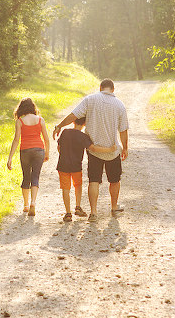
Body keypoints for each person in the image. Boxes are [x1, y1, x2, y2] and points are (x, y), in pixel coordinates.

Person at [53, 79, 128, 221]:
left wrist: (59, 125)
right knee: (114, 180)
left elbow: (73, 115)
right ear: (113, 89)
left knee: (94, 180)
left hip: (94, 150)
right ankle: (113, 207)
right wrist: (125, 148)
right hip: (112, 150)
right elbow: (123, 130)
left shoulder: (90, 99)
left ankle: (93, 213)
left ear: (100, 88)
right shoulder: (119, 105)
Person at [56, 117, 118, 222]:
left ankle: (68, 213)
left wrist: (64, 155)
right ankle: (78, 207)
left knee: (65, 189)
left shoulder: (65, 132)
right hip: (76, 166)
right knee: (78, 186)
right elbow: (93, 148)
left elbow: (59, 147)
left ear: (73, 121)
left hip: (63, 166)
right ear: (85, 123)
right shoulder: (83, 136)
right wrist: (109, 149)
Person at [7, 97, 50, 217]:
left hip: (25, 150)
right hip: (38, 150)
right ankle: (33, 203)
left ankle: (25, 205)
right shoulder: (40, 120)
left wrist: (10, 157)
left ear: (21, 108)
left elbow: (16, 140)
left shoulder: (20, 121)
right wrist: (47, 153)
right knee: (35, 176)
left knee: (26, 176)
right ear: (33, 107)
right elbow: (46, 139)